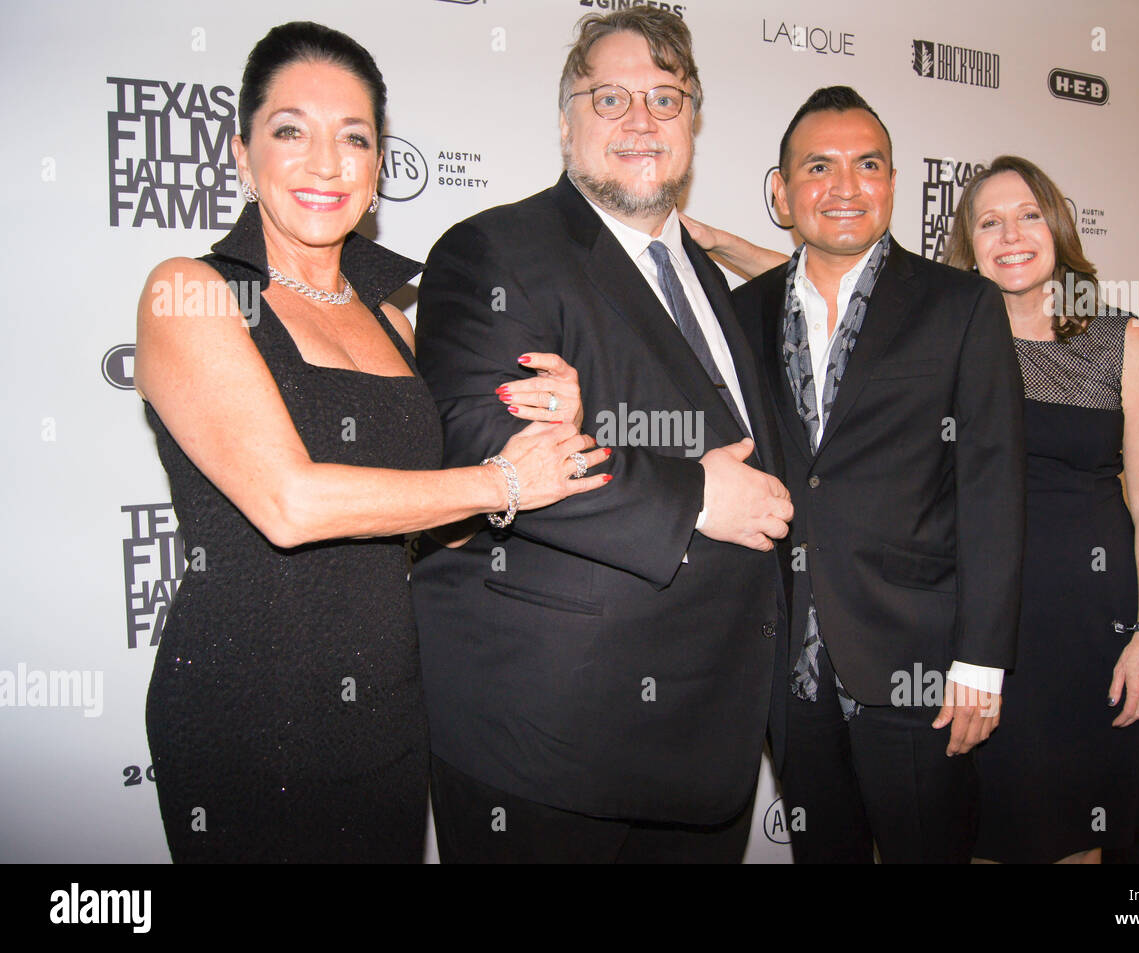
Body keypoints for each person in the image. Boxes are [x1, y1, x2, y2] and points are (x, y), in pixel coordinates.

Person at [136, 21, 608, 863]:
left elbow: (443, 520)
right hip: (246, 713)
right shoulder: (190, 292)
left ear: (380, 165)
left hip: (388, 708)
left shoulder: (393, 317)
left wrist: (543, 425)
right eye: (291, 132)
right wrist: (500, 480)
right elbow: (290, 503)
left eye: (354, 138)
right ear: (241, 155)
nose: (326, 163)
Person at [411, 8, 793, 863]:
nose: (641, 120)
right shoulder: (495, 251)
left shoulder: (703, 275)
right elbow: (481, 442)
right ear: (564, 123)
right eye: (610, 96)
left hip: (706, 736)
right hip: (551, 738)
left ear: (694, 121)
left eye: (666, 97)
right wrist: (695, 495)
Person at [725, 86, 1027, 863]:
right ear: (781, 191)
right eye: (818, 166)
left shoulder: (960, 307)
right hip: (789, 660)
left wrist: (981, 662)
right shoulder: (742, 312)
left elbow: (993, 489)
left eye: (868, 164)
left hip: (921, 659)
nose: (846, 186)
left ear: (893, 181)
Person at [944, 155, 1139, 864]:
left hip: (1091, 624)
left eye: (1028, 215)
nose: (1010, 234)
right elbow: (845, 290)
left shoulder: (1117, 340)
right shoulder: (945, 341)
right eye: (989, 221)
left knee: (1080, 836)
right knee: (982, 830)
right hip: (981, 628)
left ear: (1057, 226)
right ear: (969, 246)